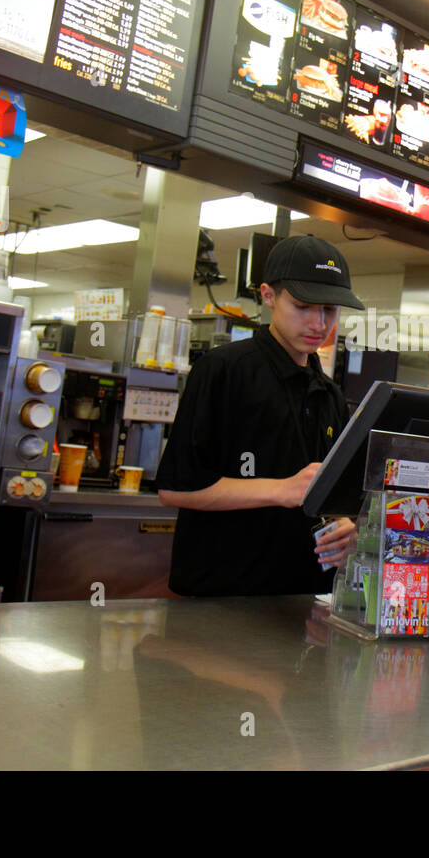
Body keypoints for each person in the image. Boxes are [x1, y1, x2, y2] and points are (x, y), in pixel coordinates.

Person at [157, 234, 364, 596]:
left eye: (330, 310)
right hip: (221, 599)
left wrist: (346, 527)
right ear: (268, 296)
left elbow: (332, 499)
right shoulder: (223, 371)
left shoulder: (329, 394)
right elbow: (176, 488)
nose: (319, 323)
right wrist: (280, 489)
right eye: (303, 306)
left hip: (304, 598)